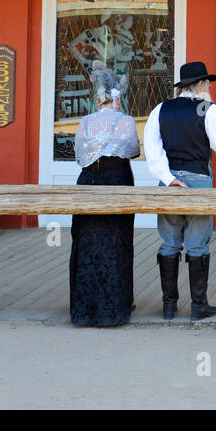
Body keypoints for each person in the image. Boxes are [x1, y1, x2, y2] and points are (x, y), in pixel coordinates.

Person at [143, 61, 216, 321]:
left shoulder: (161, 109)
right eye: (207, 82)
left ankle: (169, 307)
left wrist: (169, 178)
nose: (209, 86)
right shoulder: (206, 108)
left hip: (169, 181)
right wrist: (209, 106)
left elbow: (152, 150)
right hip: (198, 180)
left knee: (169, 242)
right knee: (197, 244)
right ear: (199, 85)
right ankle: (198, 306)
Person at [70, 66, 140, 327]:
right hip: (117, 181)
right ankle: (115, 308)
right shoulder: (126, 121)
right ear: (117, 97)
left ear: (98, 99)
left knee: (87, 242)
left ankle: (84, 309)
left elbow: (80, 157)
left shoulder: (86, 121)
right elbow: (132, 151)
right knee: (116, 243)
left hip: (88, 182)